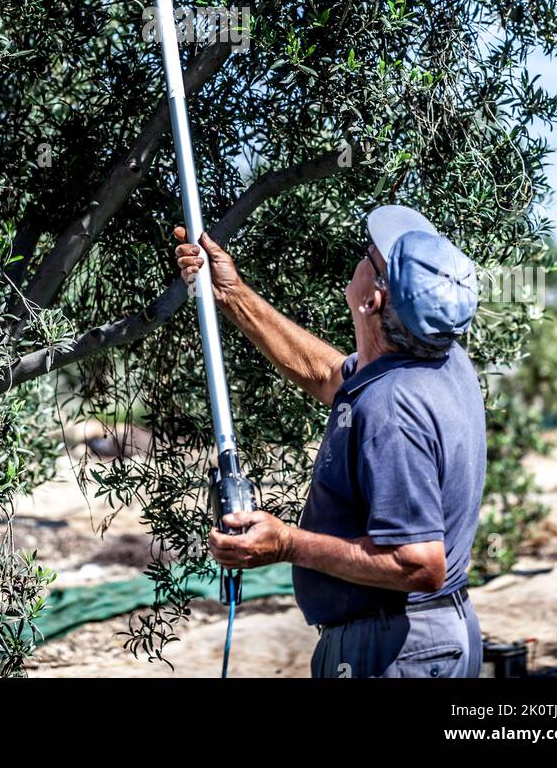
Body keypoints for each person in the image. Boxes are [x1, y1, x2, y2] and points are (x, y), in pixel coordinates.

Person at [173, 204, 486, 678]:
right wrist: (232, 296)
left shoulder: (392, 406)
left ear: (372, 300)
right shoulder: (439, 362)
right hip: (429, 637)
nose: (359, 262)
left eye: (368, 256)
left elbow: (419, 564)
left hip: (394, 651)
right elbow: (325, 373)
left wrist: (287, 545)